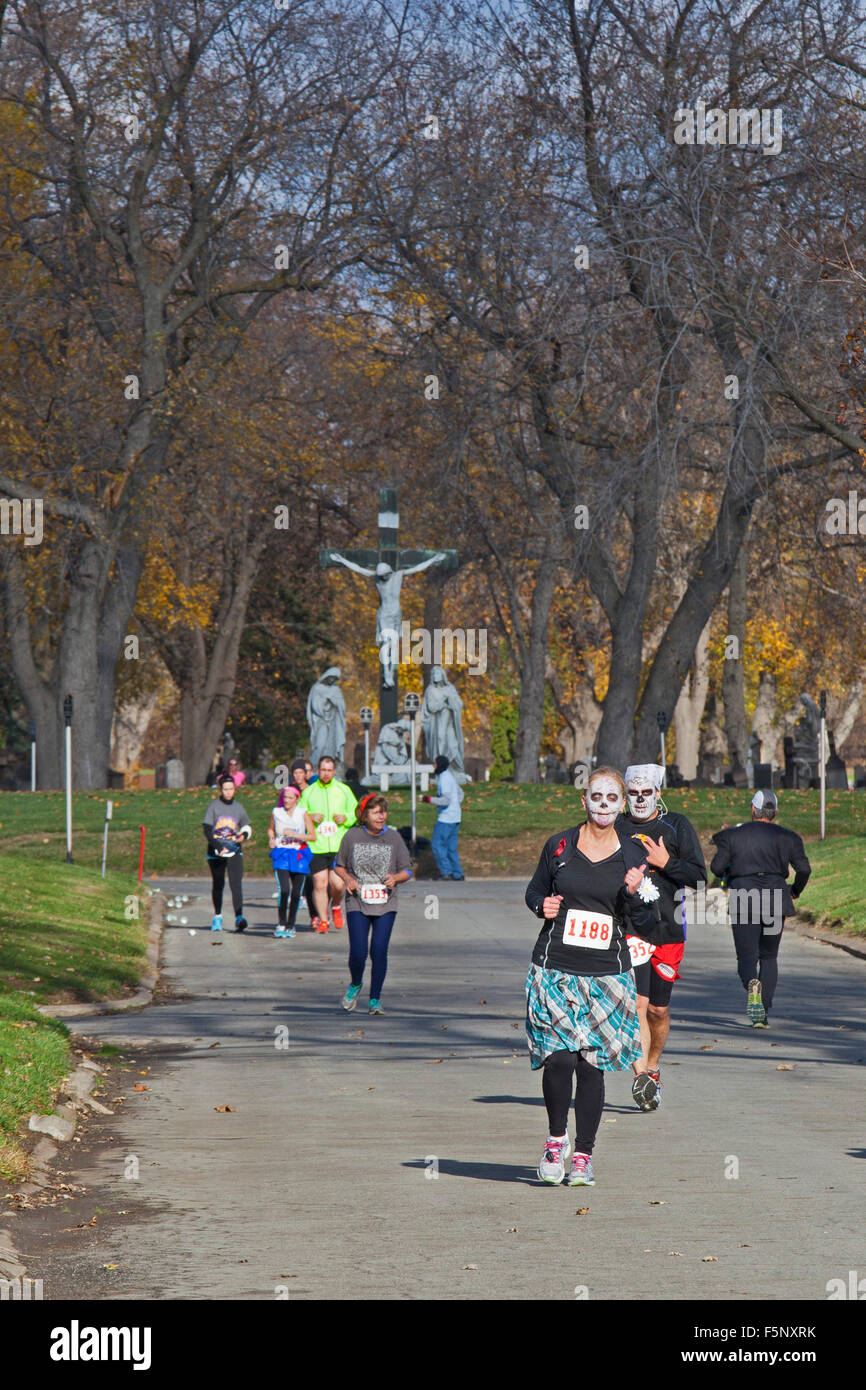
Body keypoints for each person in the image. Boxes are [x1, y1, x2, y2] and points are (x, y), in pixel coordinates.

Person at [524, 767, 660, 1186]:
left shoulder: (635, 855)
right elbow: (534, 891)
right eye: (596, 797)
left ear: (622, 805)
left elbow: (646, 920)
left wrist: (637, 893)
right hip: (555, 967)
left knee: (590, 1064)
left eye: (611, 799)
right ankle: (555, 1140)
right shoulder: (560, 844)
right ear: (584, 800)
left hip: (606, 975)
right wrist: (541, 906)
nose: (603, 806)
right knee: (559, 1057)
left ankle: (583, 1154)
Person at [618, 763, 706, 1111]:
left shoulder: (677, 826)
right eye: (634, 793)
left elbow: (700, 879)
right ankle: (641, 1076)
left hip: (669, 928)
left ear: (658, 794)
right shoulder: (615, 826)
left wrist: (668, 861)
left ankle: (652, 1067)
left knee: (658, 1008)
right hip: (630, 929)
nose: (640, 799)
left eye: (646, 793)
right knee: (636, 1005)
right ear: (626, 796)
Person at [709, 790, 811, 1027]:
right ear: (775, 812)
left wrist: (729, 873)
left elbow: (716, 867)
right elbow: (804, 870)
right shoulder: (789, 837)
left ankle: (751, 984)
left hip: (745, 894)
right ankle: (762, 1011)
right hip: (776, 895)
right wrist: (794, 890)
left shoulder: (732, 836)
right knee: (769, 956)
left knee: (746, 956)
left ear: (752, 810)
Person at [335, 794, 413, 1014]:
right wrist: (348, 879)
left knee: (379, 950)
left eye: (383, 812)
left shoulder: (395, 838)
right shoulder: (352, 836)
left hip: (386, 902)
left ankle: (375, 1000)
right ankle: (355, 983)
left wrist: (396, 878)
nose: (381, 817)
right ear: (364, 815)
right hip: (357, 901)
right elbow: (338, 866)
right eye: (375, 812)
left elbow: (407, 870)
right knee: (358, 952)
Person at [299, 755, 358, 932]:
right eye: (323, 770)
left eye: (329, 770)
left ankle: (336, 907)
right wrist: (310, 817)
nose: (326, 774)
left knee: (339, 885)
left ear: (334, 771)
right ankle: (323, 920)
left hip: (339, 845)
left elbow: (356, 812)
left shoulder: (343, 790)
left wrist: (346, 818)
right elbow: (298, 815)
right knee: (320, 883)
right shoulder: (308, 792)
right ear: (318, 771)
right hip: (317, 846)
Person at [203, 774, 253, 932]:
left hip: (234, 851)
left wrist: (243, 835)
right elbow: (206, 829)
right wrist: (217, 846)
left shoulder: (238, 807)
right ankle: (217, 917)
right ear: (220, 790)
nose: (229, 792)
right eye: (225, 789)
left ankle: (239, 917)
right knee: (218, 884)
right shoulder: (214, 806)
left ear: (235, 789)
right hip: (216, 852)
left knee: (236, 884)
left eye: (231, 789)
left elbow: (246, 826)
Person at [268, 785, 313, 938]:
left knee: (295, 894)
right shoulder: (276, 812)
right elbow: (270, 829)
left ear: (297, 799)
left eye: (290, 798)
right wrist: (271, 838)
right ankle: (281, 923)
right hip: (282, 854)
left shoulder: (303, 814)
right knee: (284, 890)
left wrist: (295, 834)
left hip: (299, 855)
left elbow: (313, 836)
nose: (286, 800)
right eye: (285, 797)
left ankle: (291, 925)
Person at [422, 754, 464, 880]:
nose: (433, 766)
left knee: (437, 844)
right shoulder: (449, 776)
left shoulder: (443, 778)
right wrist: (455, 806)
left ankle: (446, 872)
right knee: (451, 848)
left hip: (446, 818)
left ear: (439, 765)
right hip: (456, 817)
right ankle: (458, 874)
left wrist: (428, 799)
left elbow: (445, 800)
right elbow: (460, 793)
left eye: (434, 764)